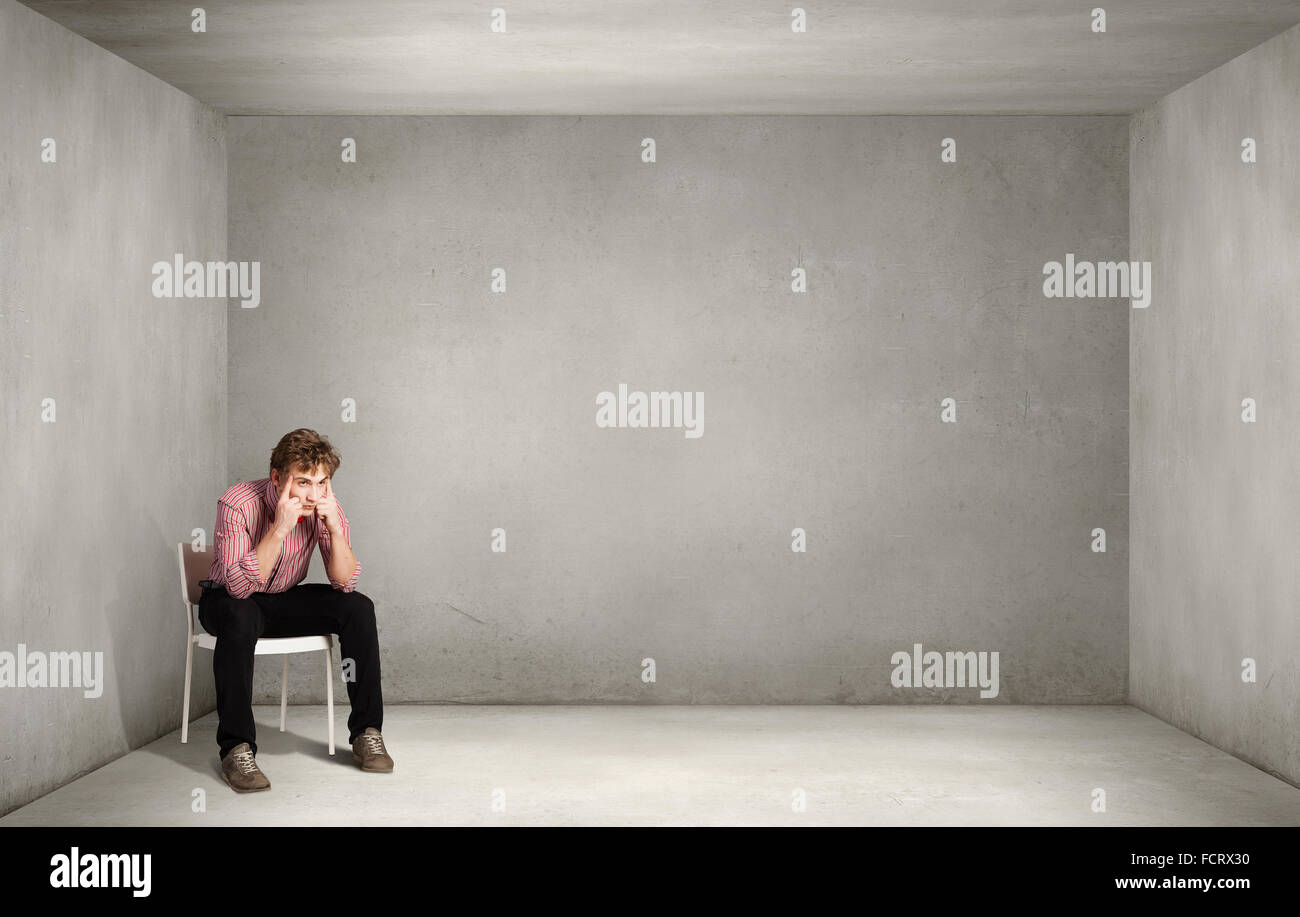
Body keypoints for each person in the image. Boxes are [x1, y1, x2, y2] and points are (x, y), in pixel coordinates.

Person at [198, 428, 393, 792]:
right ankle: (236, 748)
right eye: (303, 482)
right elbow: (240, 588)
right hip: (227, 601)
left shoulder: (323, 504)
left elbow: (344, 582)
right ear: (277, 477)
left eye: (322, 483)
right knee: (240, 614)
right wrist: (280, 528)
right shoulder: (238, 503)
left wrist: (334, 528)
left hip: (281, 599)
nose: (313, 494)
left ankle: (367, 732)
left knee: (358, 607)